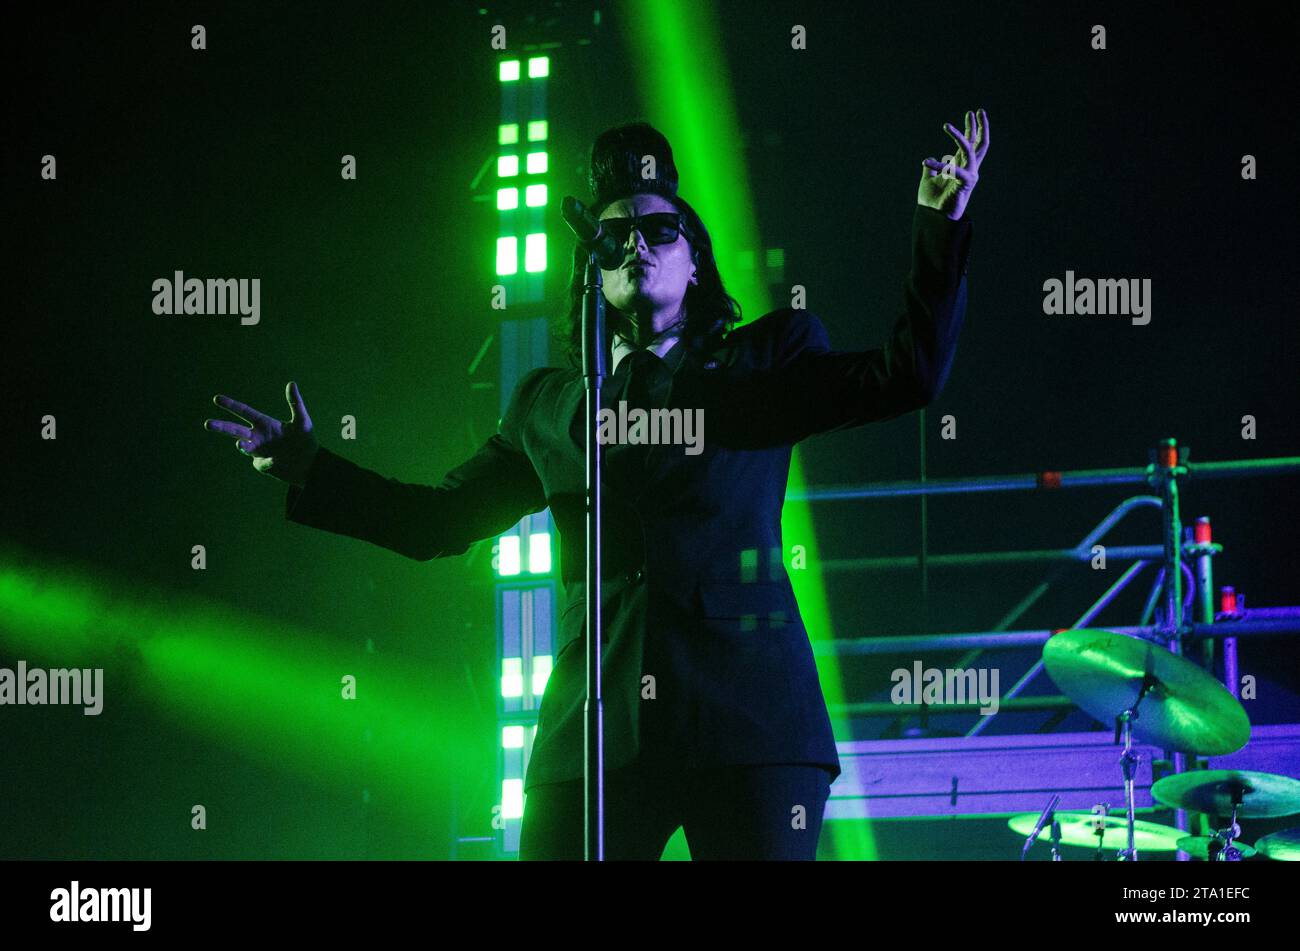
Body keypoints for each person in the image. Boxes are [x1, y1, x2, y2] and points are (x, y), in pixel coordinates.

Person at [204, 115, 989, 860]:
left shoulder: (764, 360)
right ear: (592, 268)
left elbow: (906, 374)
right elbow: (436, 521)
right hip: (593, 727)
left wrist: (939, 225)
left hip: (749, 724)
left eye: (659, 228)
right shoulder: (551, 404)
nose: (636, 246)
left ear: (695, 257)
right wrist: (311, 467)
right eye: (614, 236)